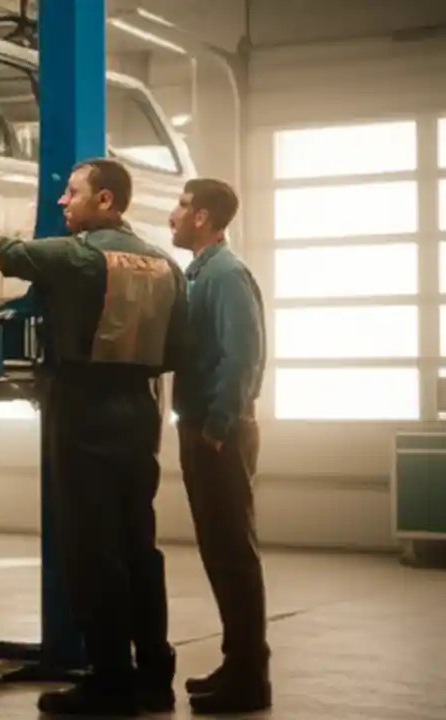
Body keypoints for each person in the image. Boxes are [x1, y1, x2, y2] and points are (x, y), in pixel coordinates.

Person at [0, 158, 189, 716]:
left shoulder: (75, 256)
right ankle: (154, 677)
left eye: (72, 193)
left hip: (84, 408)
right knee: (138, 548)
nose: (61, 202)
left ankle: (109, 683)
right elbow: (179, 348)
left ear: (105, 202)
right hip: (140, 411)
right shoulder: (166, 264)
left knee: (94, 550)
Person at [168, 178, 271, 714]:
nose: (174, 214)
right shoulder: (201, 272)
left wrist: (216, 425)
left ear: (203, 217)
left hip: (219, 433)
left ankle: (250, 678)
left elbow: (243, 357)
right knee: (220, 552)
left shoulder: (227, 276)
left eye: (183, 206)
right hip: (204, 428)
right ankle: (238, 666)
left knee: (233, 553)